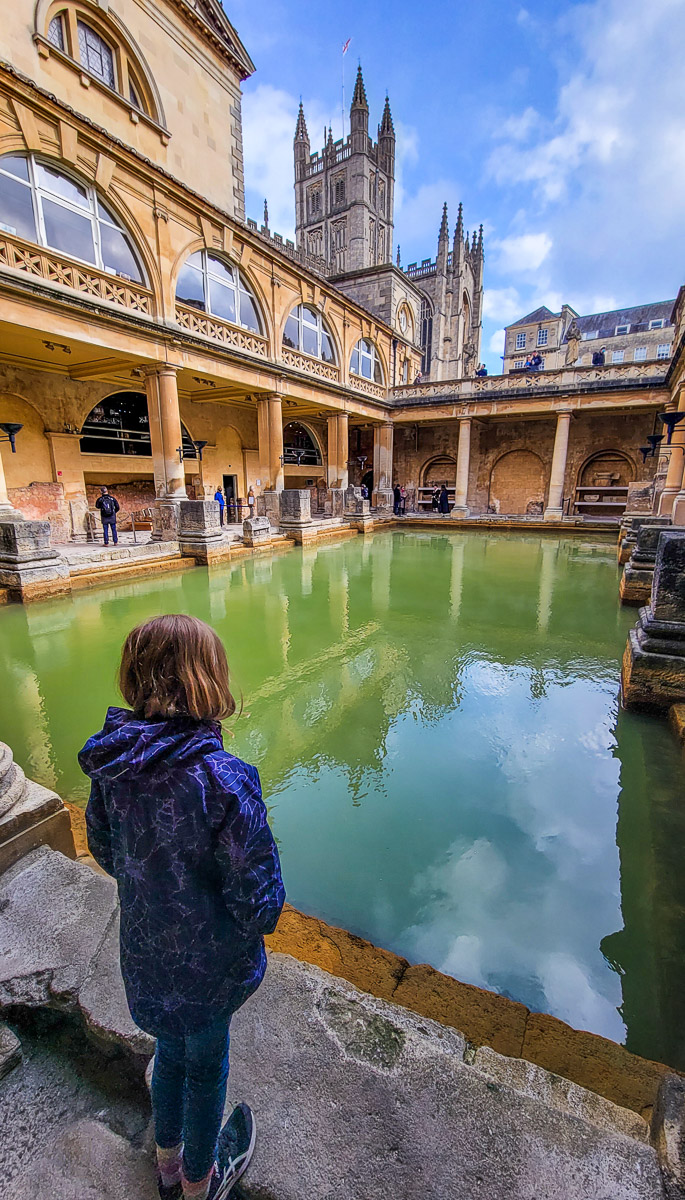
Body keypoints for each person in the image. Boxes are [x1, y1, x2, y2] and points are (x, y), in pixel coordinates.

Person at [79, 615, 285, 1200]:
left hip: (146, 954)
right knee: (206, 1067)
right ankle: (200, 1182)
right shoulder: (224, 780)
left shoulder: (114, 767)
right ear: (209, 682)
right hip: (208, 968)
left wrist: (155, 889)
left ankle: (166, 1164)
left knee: (169, 1056)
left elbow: (103, 847)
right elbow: (260, 902)